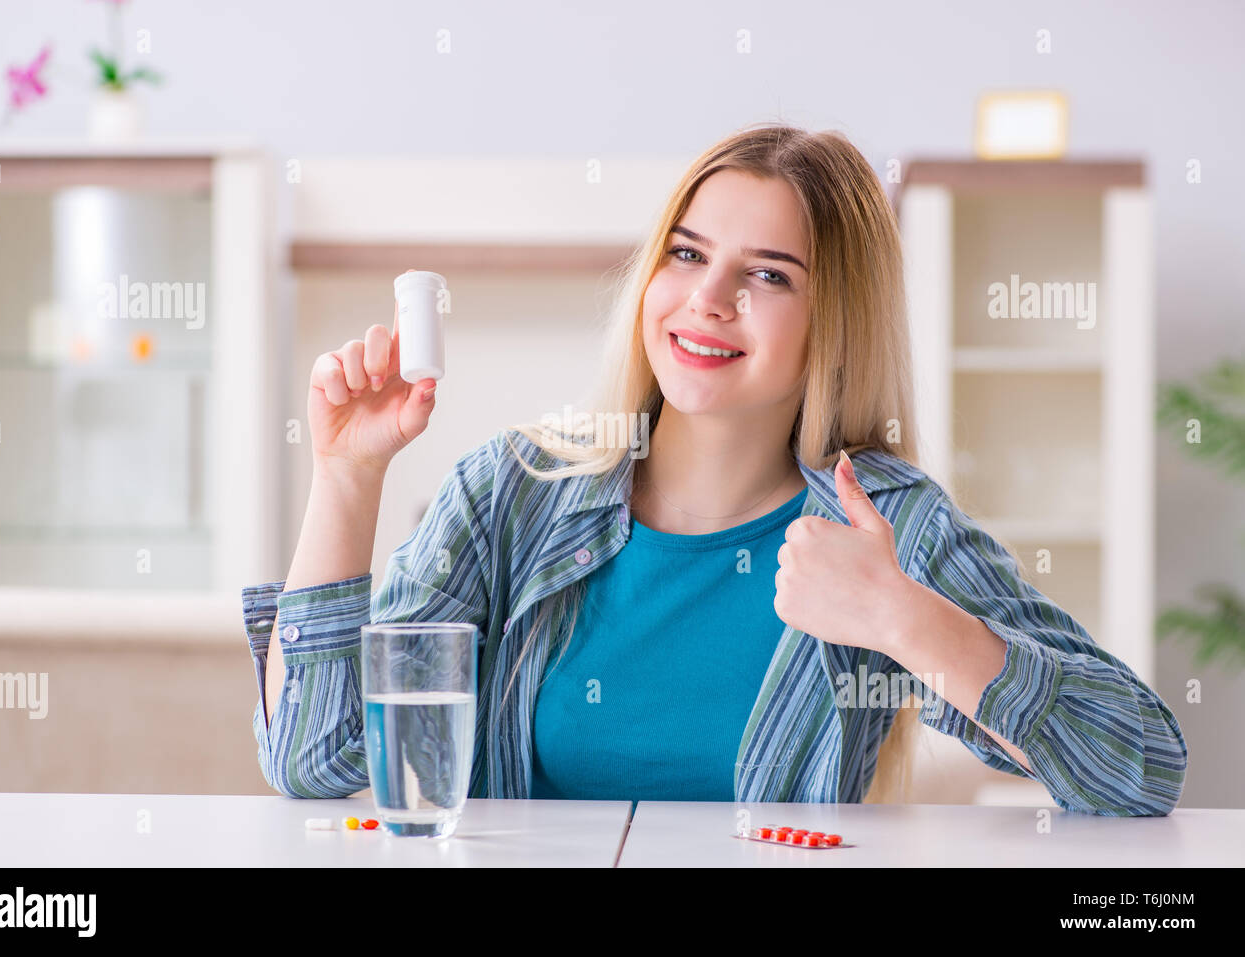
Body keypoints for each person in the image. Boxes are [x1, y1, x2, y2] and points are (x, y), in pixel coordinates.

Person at [243, 123, 1187, 814]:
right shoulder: (511, 496)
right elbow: (310, 757)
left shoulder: (882, 526)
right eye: (687, 254)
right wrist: (345, 477)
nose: (708, 299)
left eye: (769, 274)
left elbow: (1143, 764)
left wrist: (907, 620)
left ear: (836, 321)